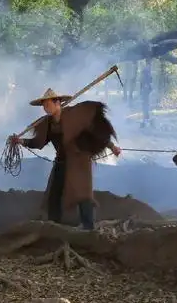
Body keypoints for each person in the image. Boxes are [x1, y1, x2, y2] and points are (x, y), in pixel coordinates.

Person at [8, 88, 122, 230]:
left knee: (83, 194)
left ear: (57, 103)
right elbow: (38, 143)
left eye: (47, 104)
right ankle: (54, 226)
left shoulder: (74, 117)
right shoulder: (48, 124)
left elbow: (95, 133)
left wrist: (112, 147)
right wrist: (20, 141)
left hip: (79, 161)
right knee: (55, 192)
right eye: (43, 105)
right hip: (61, 161)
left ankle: (88, 228)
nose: (45, 108)